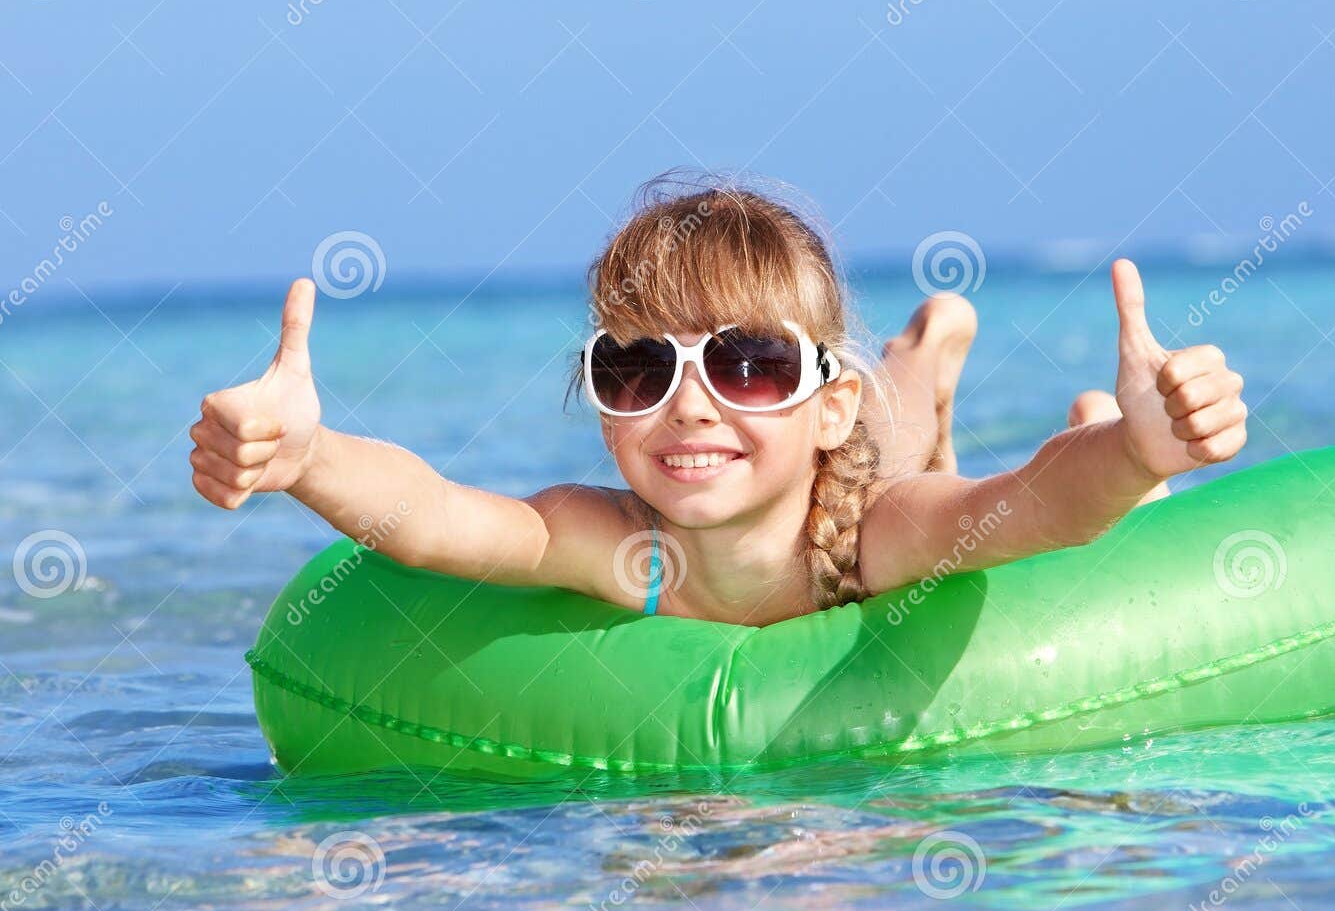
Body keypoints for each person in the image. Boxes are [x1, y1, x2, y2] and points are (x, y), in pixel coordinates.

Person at [189, 178, 1246, 627]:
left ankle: (923, 355)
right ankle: (909, 361)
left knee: (904, 446)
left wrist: (1135, 455)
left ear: (814, 392)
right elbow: (434, 516)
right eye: (640, 367)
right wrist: (306, 455)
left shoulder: (875, 538)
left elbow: (1020, 509)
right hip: (823, 433)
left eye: (748, 361)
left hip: (848, 472)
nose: (687, 405)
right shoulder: (615, 546)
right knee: (857, 429)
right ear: (603, 401)